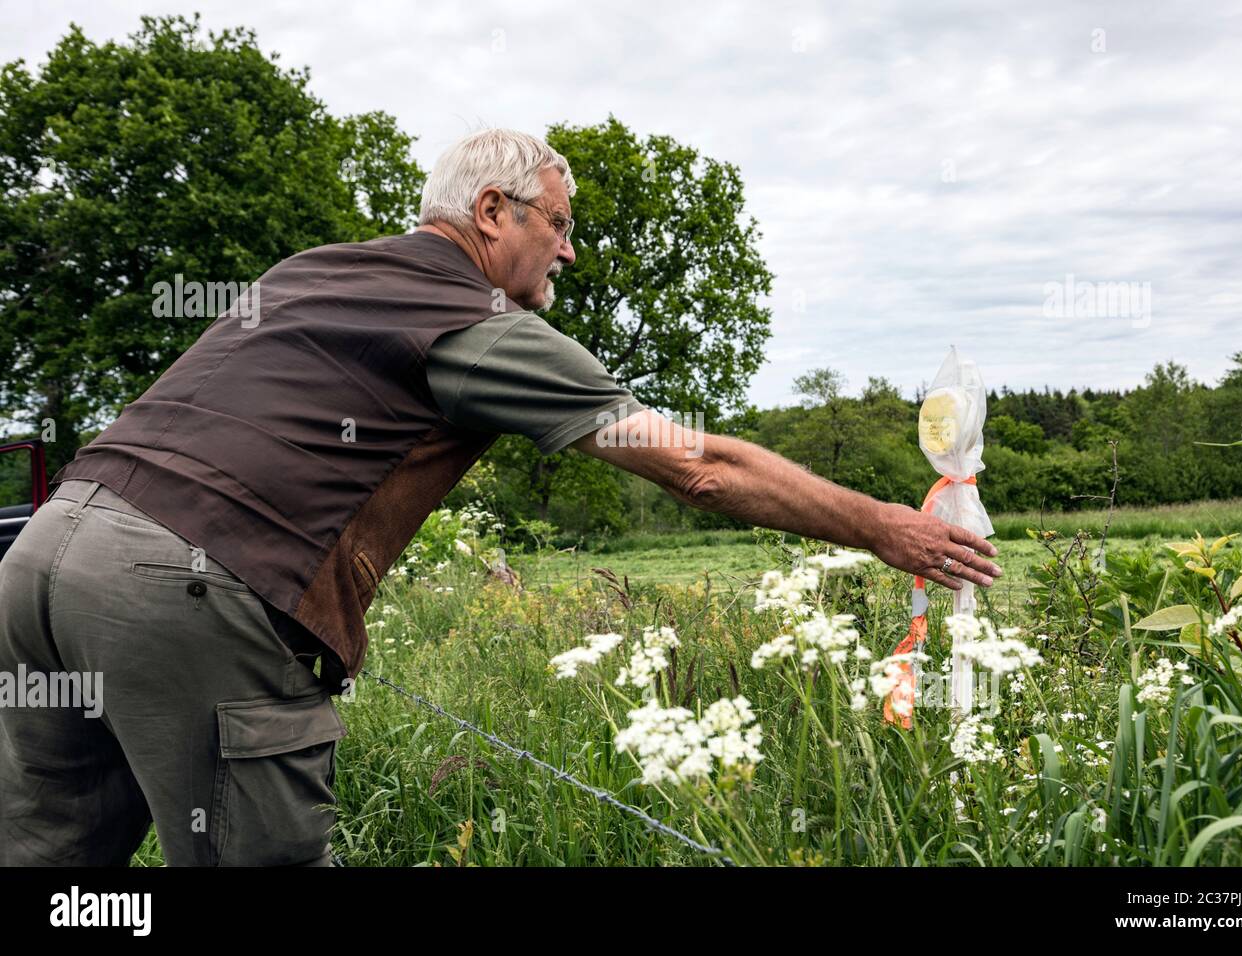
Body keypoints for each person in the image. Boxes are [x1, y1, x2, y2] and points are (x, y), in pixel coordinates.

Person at [0, 128, 999, 867]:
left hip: (42, 558)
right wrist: (887, 527)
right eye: (558, 225)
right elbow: (700, 467)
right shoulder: (474, 318)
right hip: (186, 592)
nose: (568, 252)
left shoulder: (314, 272)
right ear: (492, 213)